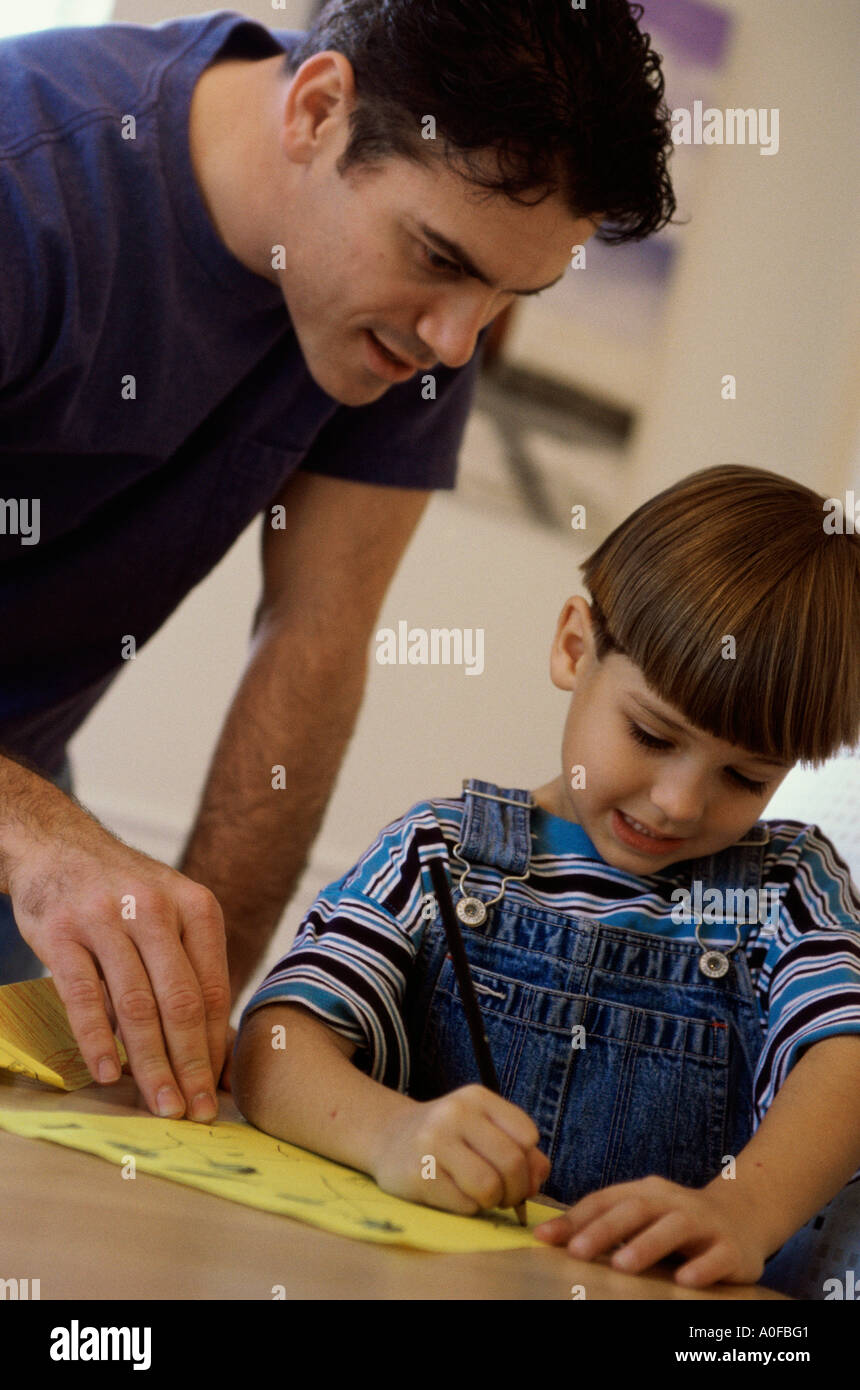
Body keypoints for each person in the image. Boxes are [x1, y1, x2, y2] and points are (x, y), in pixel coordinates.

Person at [0, 2, 676, 1120]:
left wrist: (187, 1022)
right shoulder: (31, 181)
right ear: (318, 110)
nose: (456, 344)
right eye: (439, 259)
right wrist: (44, 840)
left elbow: (310, 644)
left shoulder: (415, 332)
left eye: (510, 297)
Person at [232, 464, 860, 1297]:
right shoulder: (437, 854)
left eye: (744, 778)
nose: (678, 802)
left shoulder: (789, 888)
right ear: (574, 647)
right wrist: (394, 1136)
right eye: (649, 733)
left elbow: (845, 1059)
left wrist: (743, 1211)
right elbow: (274, 1047)